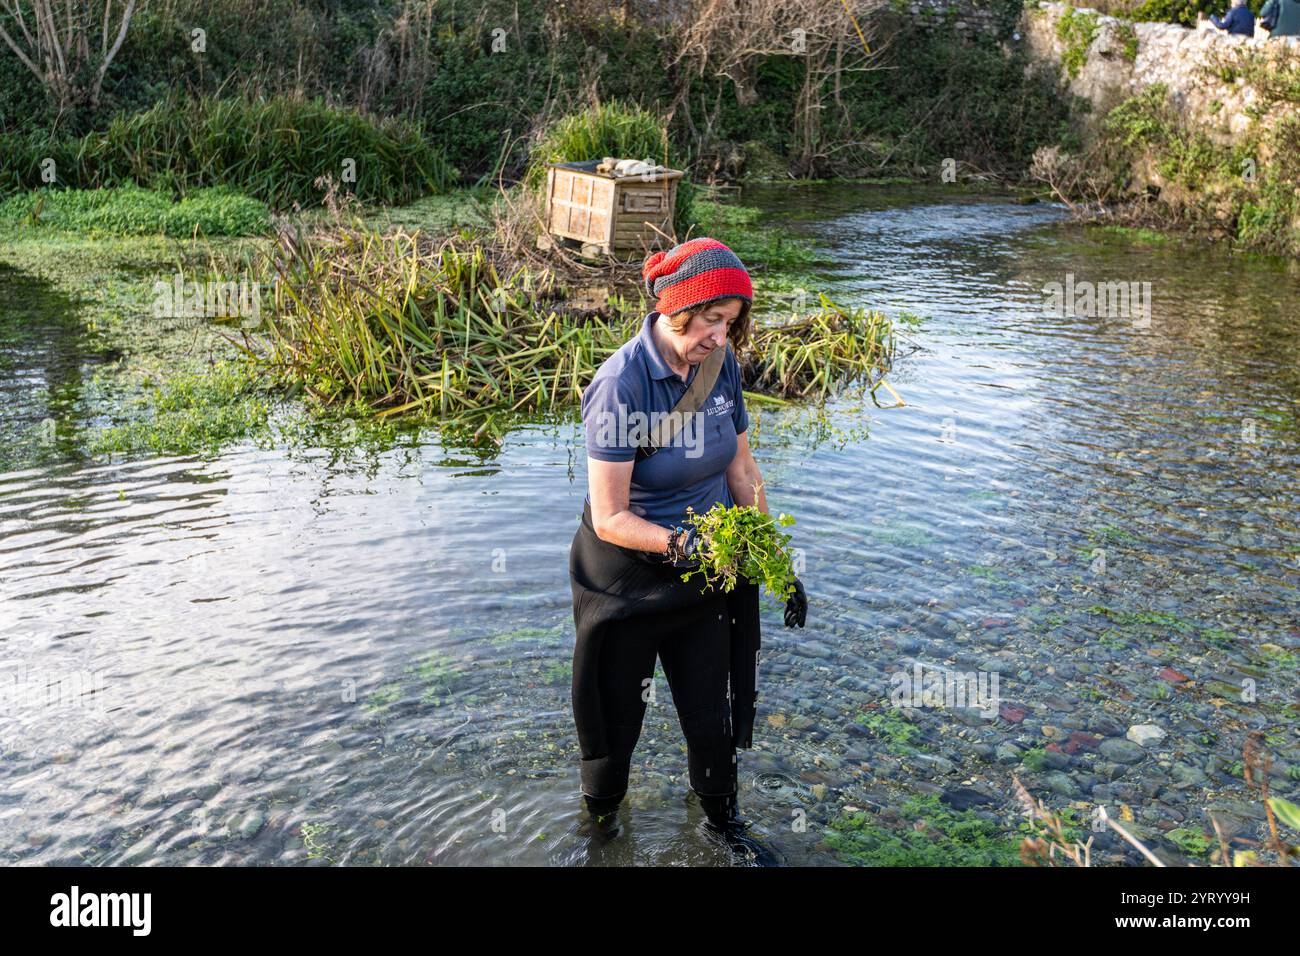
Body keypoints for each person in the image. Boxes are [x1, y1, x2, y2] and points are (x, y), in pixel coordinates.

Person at [568, 237, 807, 855]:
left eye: (730, 323)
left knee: (711, 713)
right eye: (711, 320)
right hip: (627, 580)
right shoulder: (621, 384)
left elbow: (743, 473)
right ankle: (602, 834)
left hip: (706, 572)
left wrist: (776, 563)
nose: (721, 338)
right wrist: (687, 547)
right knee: (616, 727)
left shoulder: (719, 365)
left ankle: (722, 826)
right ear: (677, 309)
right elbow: (611, 517)